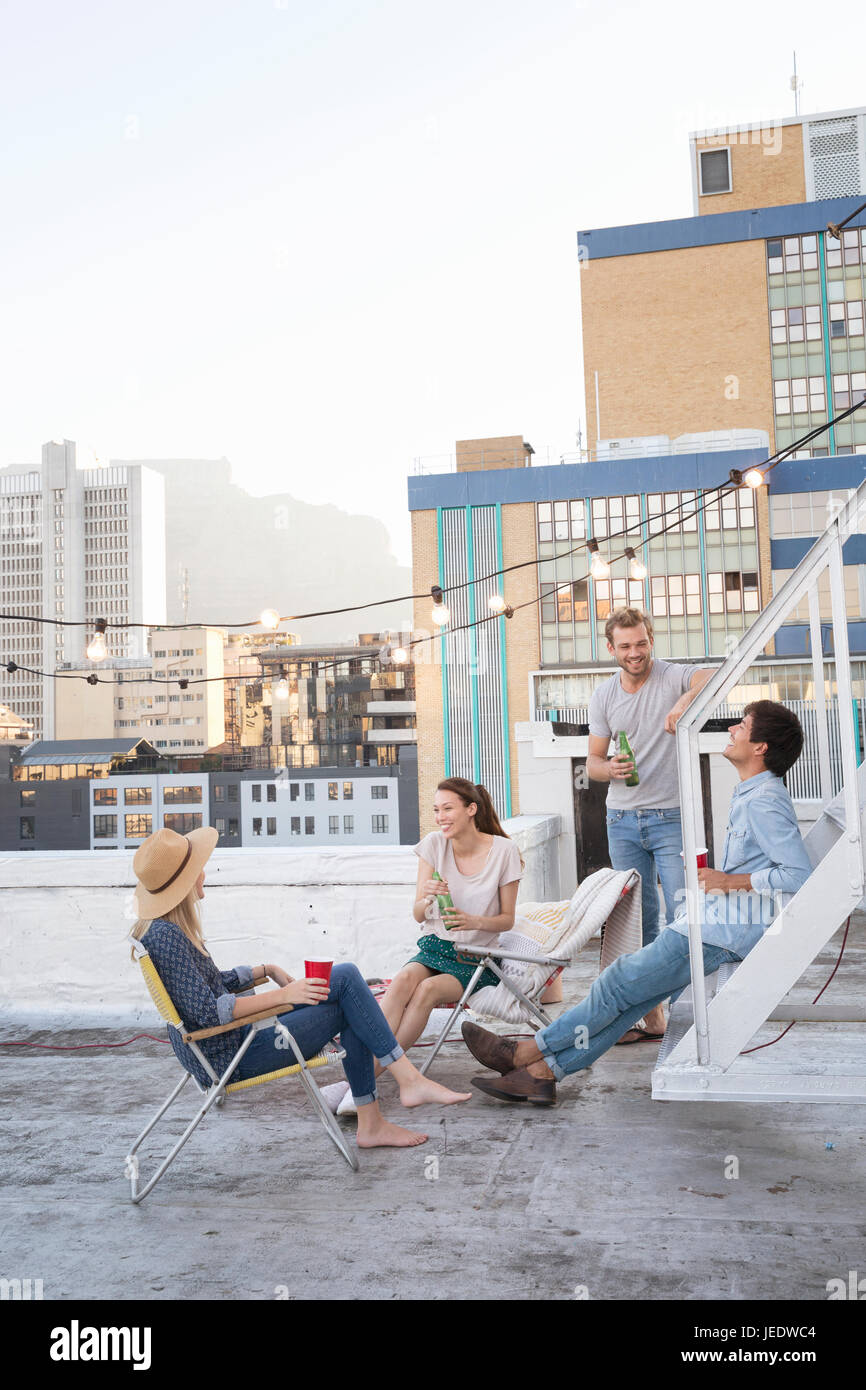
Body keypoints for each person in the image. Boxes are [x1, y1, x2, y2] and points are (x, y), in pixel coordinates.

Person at [464, 700, 813, 1105]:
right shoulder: (751, 793)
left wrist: (729, 880)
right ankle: (542, 1075)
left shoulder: (765, 799)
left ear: (761, 747)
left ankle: (525, 1051)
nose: (734, 728)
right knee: (633, 1000)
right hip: (714, 921)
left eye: (744, 724)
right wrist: (721, 883)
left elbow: (798, 875)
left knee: (617, 983)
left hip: (722, 930)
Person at [130, 826, 471, 1151]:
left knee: (349, 990)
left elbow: (210, 986)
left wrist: (267, 970)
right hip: (236, 1056)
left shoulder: (163, 931)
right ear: (186, 880)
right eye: (199, 868)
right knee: (349, 988)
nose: (204, 872)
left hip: (226, 1047)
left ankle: (387, 1106)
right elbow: (209, 1013)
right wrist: (284, 996)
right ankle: (396, 1093)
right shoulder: (168, 937)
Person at [587, 607, 715, 1043]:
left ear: (650, 640)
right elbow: (592, 763)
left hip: (671, 818)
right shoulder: (603, 696)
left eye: (641, 643)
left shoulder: (670, 675)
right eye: (625, 646)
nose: (635, 652)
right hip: (621, 819)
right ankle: (652, 1013)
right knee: (636, 920)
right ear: (611, 649)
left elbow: (710, 674)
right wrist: (610, 768)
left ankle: (689, 1008)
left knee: (684, 912)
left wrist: (682, 702)